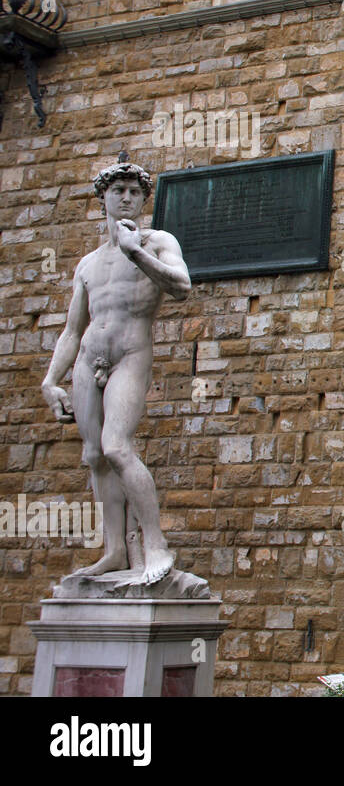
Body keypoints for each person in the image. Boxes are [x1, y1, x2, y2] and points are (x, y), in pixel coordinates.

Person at [41, 154, 191, 586]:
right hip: (89, 358)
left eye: (134, 192)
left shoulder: (158, 241)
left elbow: (181, 287)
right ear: (103, 198)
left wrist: (135, 252)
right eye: (117, 191)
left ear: (143, 200)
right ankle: (114, 551)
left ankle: (156, 544)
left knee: (116, 447)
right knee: (94, 457)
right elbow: (73, 329)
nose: (125, 198)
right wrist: (51, 379)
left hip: (129, 354)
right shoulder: (87, 264)